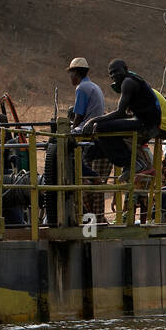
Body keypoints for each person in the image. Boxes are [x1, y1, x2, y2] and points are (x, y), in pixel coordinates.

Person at [81, 59, 166, 171]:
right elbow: (126, 113)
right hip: (147, 122)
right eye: (111, 73)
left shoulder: (128, 82)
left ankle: (131, 163)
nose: (113, 75)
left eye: (116, 71)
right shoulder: (134, 80)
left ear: (125, 69)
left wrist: (92, 120)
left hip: (147, 125)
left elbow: (120, 112)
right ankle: (127, 161)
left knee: (100, 127)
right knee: (103, 135)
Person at [67, 57, 108, 217]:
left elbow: (79, 116)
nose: (70, 77)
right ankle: (92, 217)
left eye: (71, 73)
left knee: (66, 150)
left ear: (76, 73)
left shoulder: (81, 88)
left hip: (87, 130)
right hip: (95, 129)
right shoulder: (93, 86)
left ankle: (91, 176)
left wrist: (70, 131)